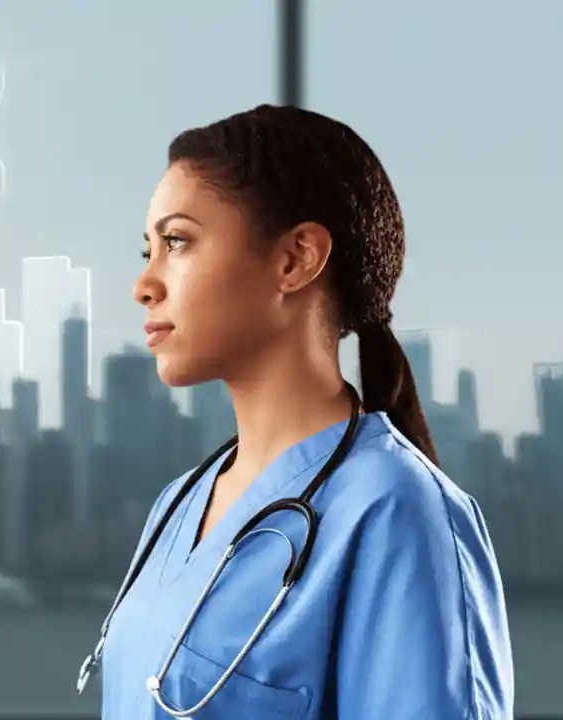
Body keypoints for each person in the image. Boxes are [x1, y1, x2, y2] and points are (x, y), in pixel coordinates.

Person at [100, 104, 514, 719]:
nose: (144, 284)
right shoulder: (176, 506)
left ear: (295, 259)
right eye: (147, 250)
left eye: (178, 242)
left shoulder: (397, 510)